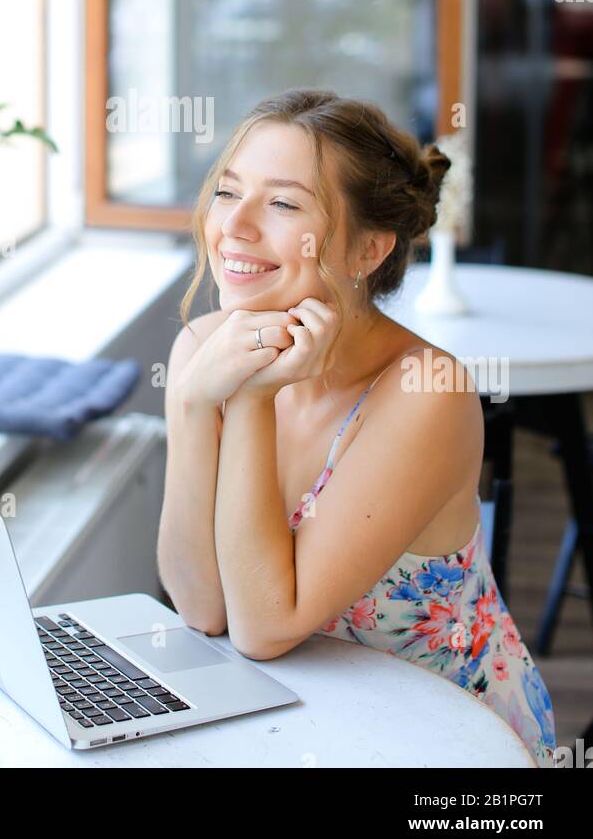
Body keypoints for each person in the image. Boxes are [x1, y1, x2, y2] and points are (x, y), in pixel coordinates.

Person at [157, 88, 556, 767]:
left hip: (449, 745)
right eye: (228, 193)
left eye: (283, 204)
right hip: (301, 724)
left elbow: (263, 627)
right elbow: (202, 607)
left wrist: (251, 400)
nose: (236, 226)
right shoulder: (204, 349)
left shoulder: (426, 392)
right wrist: (196, 406)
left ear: (367, 249)